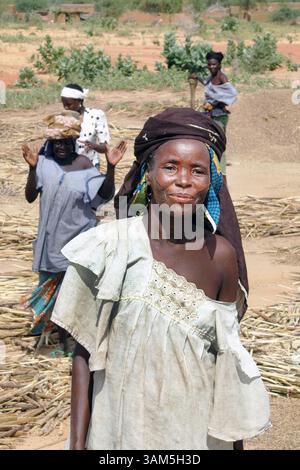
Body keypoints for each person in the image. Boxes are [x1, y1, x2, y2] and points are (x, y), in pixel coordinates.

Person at [51, 108, 270, 449]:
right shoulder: (111, 245)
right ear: (148, 174)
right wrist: (78, 444)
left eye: (197, 170)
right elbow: (84, 351)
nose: (183, 180)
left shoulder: (221, 258)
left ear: (211, 181)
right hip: (121, 431)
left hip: (193, 434)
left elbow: (226, 364)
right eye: (170, 167)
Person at [22, 111, 126, 354]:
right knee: (51, 296)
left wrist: (111, 168)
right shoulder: (43, 165)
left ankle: (71, 345)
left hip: (78, 243)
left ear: (74, 142)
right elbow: (29, 197)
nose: (61, 147)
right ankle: (52, 338)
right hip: (50, 243)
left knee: (73, 297)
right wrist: (31, 169)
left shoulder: (85, 166)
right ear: (51, 143)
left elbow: (103, 196)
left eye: (66, 142)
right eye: (56, 142)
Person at [198, 51, 238, 179]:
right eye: (209, 65)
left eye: (214, 65)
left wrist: (214, 103)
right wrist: (196, 78)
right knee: (207, 141)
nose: (211, 67)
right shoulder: (211, 78)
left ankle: (222, 173)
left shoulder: (222, 78)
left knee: (218, 143)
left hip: (219, 115)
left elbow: (232, 94)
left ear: (219, 65)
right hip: (209, 115)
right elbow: (207, 85)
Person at [61, 84, 110, 168]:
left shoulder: (96, 115)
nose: (65, 108)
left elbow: (105, 147)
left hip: (90, 166)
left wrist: (93, 146)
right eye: (63, 104)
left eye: (69, 104)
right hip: (67, 166)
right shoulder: (61, 119)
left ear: (80, 101)